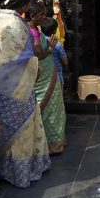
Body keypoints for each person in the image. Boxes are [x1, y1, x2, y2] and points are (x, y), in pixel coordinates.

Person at [0, 0, 51, 188]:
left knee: (5, 124)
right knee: (22, 128)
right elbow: (19, 58)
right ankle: (20, 173)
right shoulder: (15, 24)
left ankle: (4, 168)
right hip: (18, 85)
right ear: (27, 4)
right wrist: (34, 66)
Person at [33, 16, 67, 154]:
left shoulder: (39, 37)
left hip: (42, 78)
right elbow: (65, 62)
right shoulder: (55, 44)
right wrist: (51, 49)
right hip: (52, 77)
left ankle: (46, 142)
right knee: (55, 109)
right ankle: (54, 144)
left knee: (47, 109)